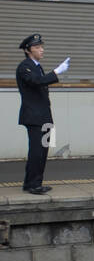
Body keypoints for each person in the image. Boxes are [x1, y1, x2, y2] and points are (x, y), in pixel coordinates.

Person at [15, 33, 69, 195]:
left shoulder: (37, 66)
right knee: (37, 151)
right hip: (34, 117)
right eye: (37, 47)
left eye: (41, 47)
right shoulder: (25, 67)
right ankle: (32, 184)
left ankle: (35, 182)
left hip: (45, 117)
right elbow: (36, 81)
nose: (42, 50)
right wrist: (56, 72)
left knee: (44, 150)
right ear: (28, 50)